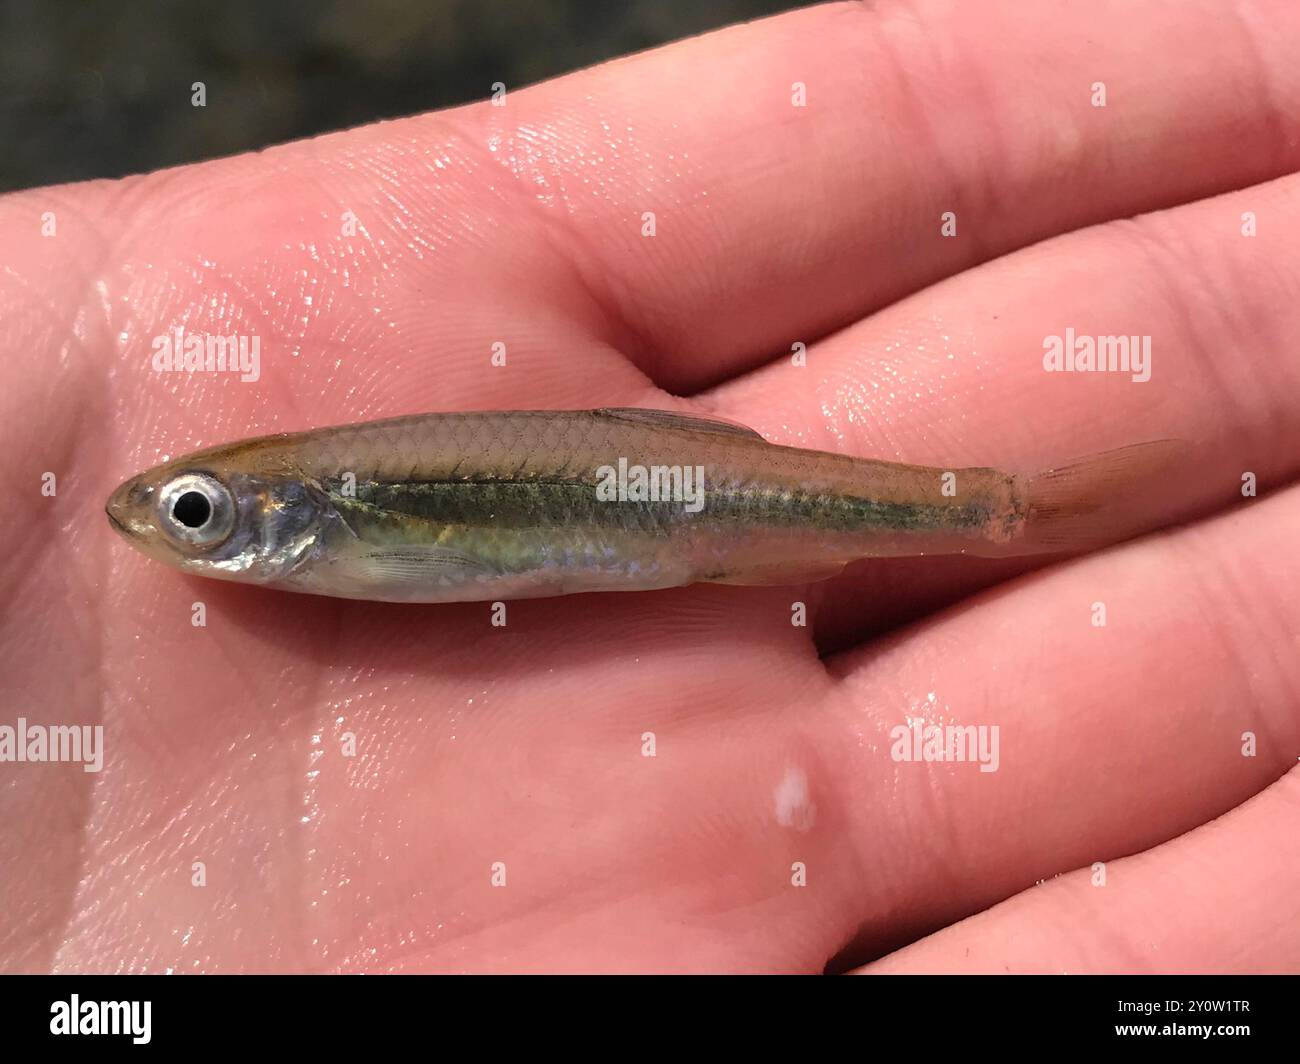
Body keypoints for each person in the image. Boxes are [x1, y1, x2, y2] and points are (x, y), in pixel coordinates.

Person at [3, 0, 1298, 973]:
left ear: (291, 514)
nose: (171, 530)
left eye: (197, 514)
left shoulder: (350, 520)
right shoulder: (339, 518)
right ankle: (1007, 514)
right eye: (195, 513)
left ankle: (1004, 514)